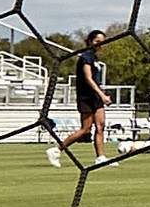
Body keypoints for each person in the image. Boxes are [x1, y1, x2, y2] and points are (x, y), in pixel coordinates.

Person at [47, 30, 111, 167]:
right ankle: (57, 150)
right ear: (90, 41)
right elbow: (88, 78)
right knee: (86, 130)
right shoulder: (86, 58)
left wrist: (102, 94)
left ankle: (101, 157)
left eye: (102, 42)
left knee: (100, 126)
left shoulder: (96, 59)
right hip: (86, 98)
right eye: (97, 42)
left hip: (96, 97)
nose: (100, 45)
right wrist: (101, 94)